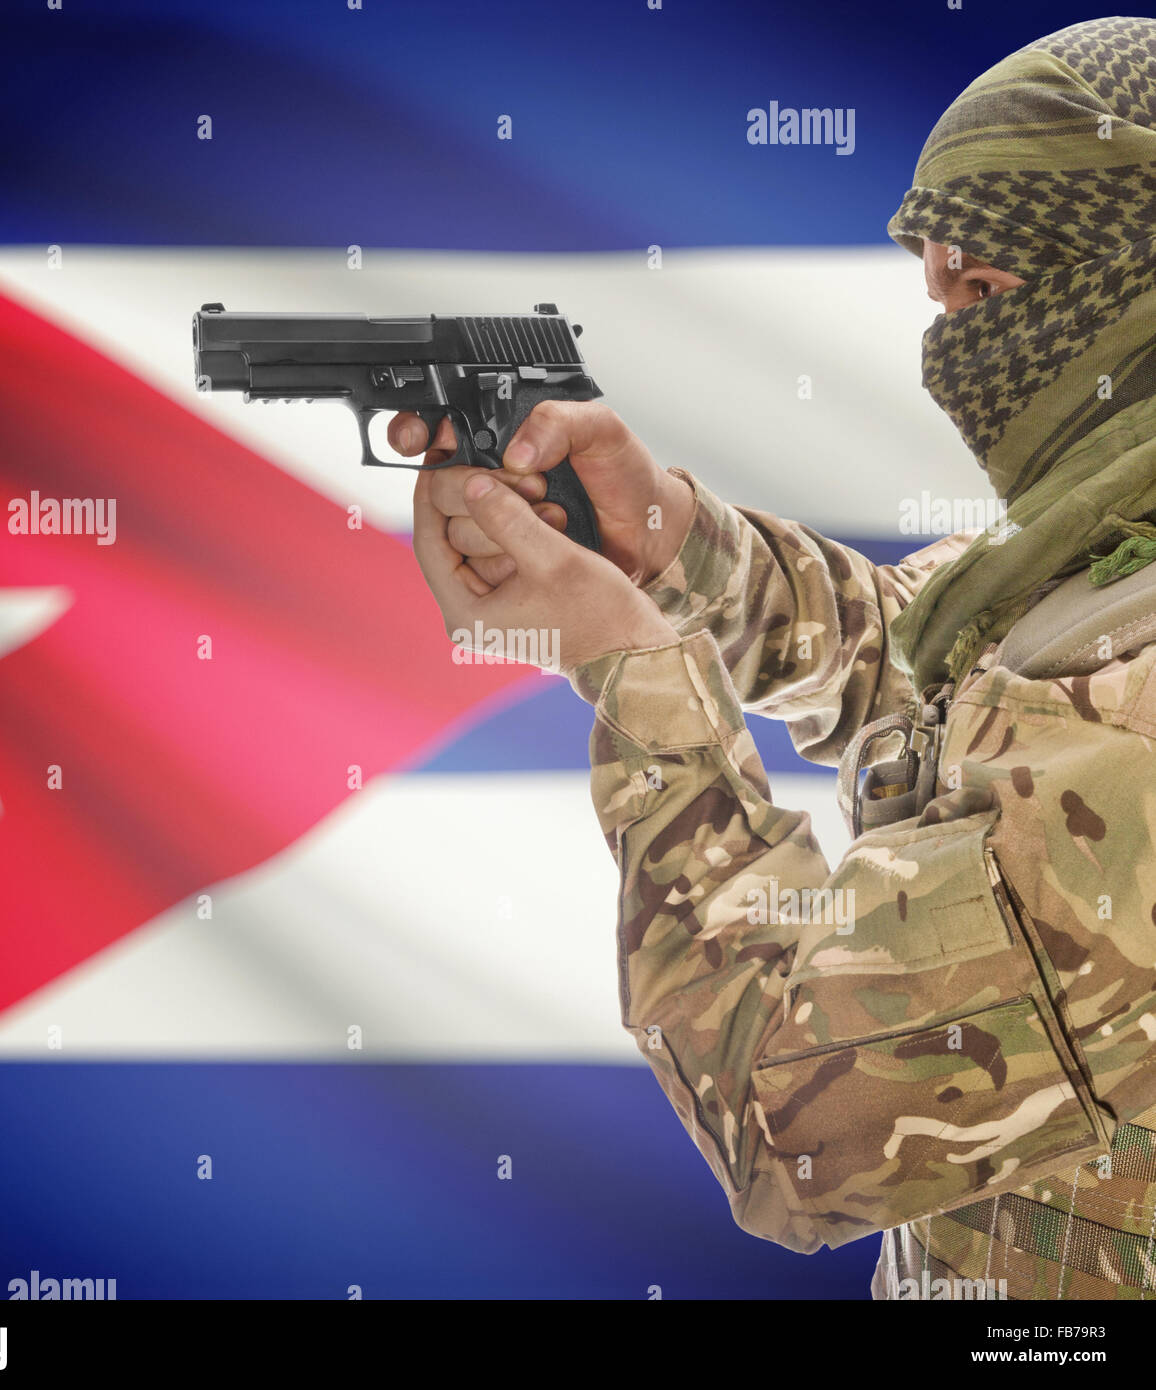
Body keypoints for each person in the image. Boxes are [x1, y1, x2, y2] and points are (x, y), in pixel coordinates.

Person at [392, 16, 1156, 1300]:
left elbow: (789, 1124)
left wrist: (634, 669)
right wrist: (669, 540)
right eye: (937, 296)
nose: (950, 349)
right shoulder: (1107, 546)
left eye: (985, 295)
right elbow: (947, 671)